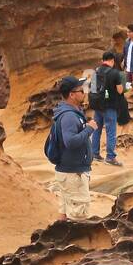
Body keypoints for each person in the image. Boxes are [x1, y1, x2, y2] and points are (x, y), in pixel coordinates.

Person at [48, 75, 97, 218]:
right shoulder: (69, 116)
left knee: (64, 214)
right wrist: (89, 129)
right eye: (81, 91)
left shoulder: (69, 113)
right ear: (71, 95)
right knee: (78, 218)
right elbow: (70, 142)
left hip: (69, 173)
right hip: (73, 175)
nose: (84, 93)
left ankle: (57, 240)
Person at [90, 51, 124, 167]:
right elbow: (120, 90)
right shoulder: (115, 73)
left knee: (96, 129)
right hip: (110, 106)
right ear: (113, 61)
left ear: (102, 60)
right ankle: (110, 157)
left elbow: (93, 89)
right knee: (111, 131)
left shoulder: (96, 72)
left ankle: (94, 153)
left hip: (97, 105)